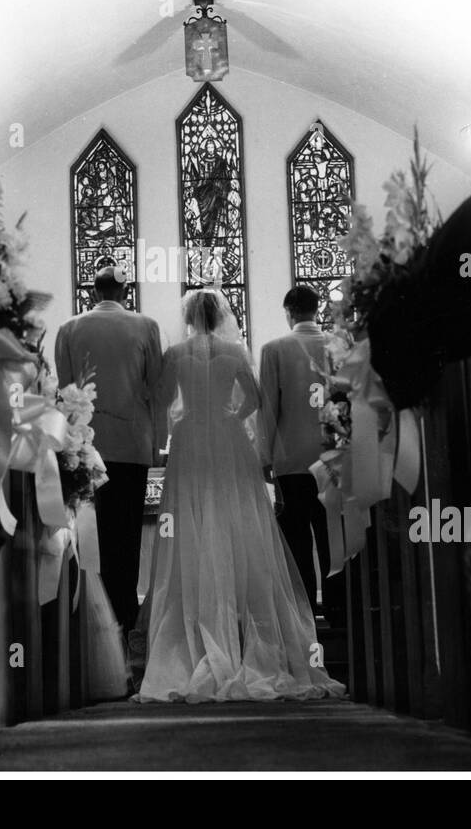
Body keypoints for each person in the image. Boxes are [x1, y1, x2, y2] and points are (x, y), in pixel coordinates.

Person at [135, 288, 345, 702]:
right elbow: (254, 399)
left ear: (191, 317)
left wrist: (174, 422)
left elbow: (160, 400)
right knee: (237, 517)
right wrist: (231, 416)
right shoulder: (235, 351)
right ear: (221, 316)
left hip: (191, 437)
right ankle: (245, 619)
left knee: (195, 517)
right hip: (228, 439)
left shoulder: (176, 354)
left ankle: (199, 619)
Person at [55, 265, 163, 637]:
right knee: (128, 531)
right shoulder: (146, 326)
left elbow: (66, 393)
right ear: (125, 292)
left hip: (87, 445)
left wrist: (68, 443)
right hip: (133, 443)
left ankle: (97, 614)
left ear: (93, 292)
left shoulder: (70, 328)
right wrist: (157, 442)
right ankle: (126, 615)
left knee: (92, 531)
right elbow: (156, 389)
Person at [259, 285, 346, 626]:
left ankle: (304, 619)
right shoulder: (337, 347)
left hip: (290, 461)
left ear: (288, 312)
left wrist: (264, 459)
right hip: (332, 460)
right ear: (317, 308)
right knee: (332, 541)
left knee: (295, 545)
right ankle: (339, 617)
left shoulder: (274, 349)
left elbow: (268, 409)